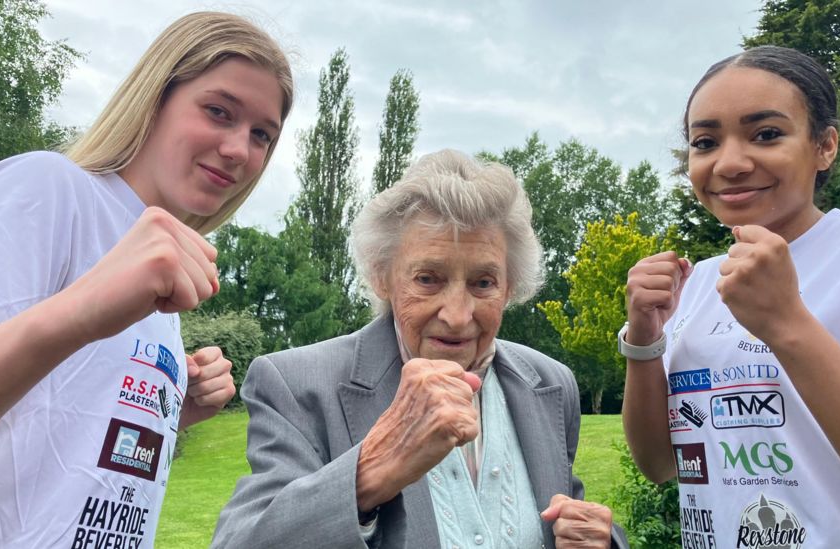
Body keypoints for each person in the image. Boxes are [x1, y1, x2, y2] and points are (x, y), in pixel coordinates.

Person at [0, 11, 293, 548]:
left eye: (262, 134)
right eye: (218, 111)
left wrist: (173, 411)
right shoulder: (47, 189)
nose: (240, 150)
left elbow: (59, 431)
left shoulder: (153, 261)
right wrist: (85, 308)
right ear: (154, 97)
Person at [211, 150, 629, 549]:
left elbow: (571, 514)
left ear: (510, 286)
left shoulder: (550, 385)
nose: (458, 315)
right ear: (382, 277)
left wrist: (601, 540)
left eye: (483, 283)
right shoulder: (297, 385)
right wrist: (368, 475)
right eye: (428, 278)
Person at [621, 45, 840, 548]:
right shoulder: (699, 282)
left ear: (825, 146)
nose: (728, 163)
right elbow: (661, 464)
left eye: (766, 134)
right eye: (705, 142)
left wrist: (786, 322)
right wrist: (643, 341)